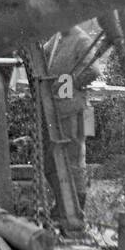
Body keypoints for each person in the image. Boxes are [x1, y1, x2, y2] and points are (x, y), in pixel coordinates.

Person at [42, 23, 100, 211]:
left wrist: (70, 82)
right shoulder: (57, 37)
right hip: (57, 110)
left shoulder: (82, 40)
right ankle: (62, 204)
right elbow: (43, 58)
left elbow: (92, 71)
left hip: (74, 110)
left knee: (73, 160)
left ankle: (77, 207)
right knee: (52, 159)